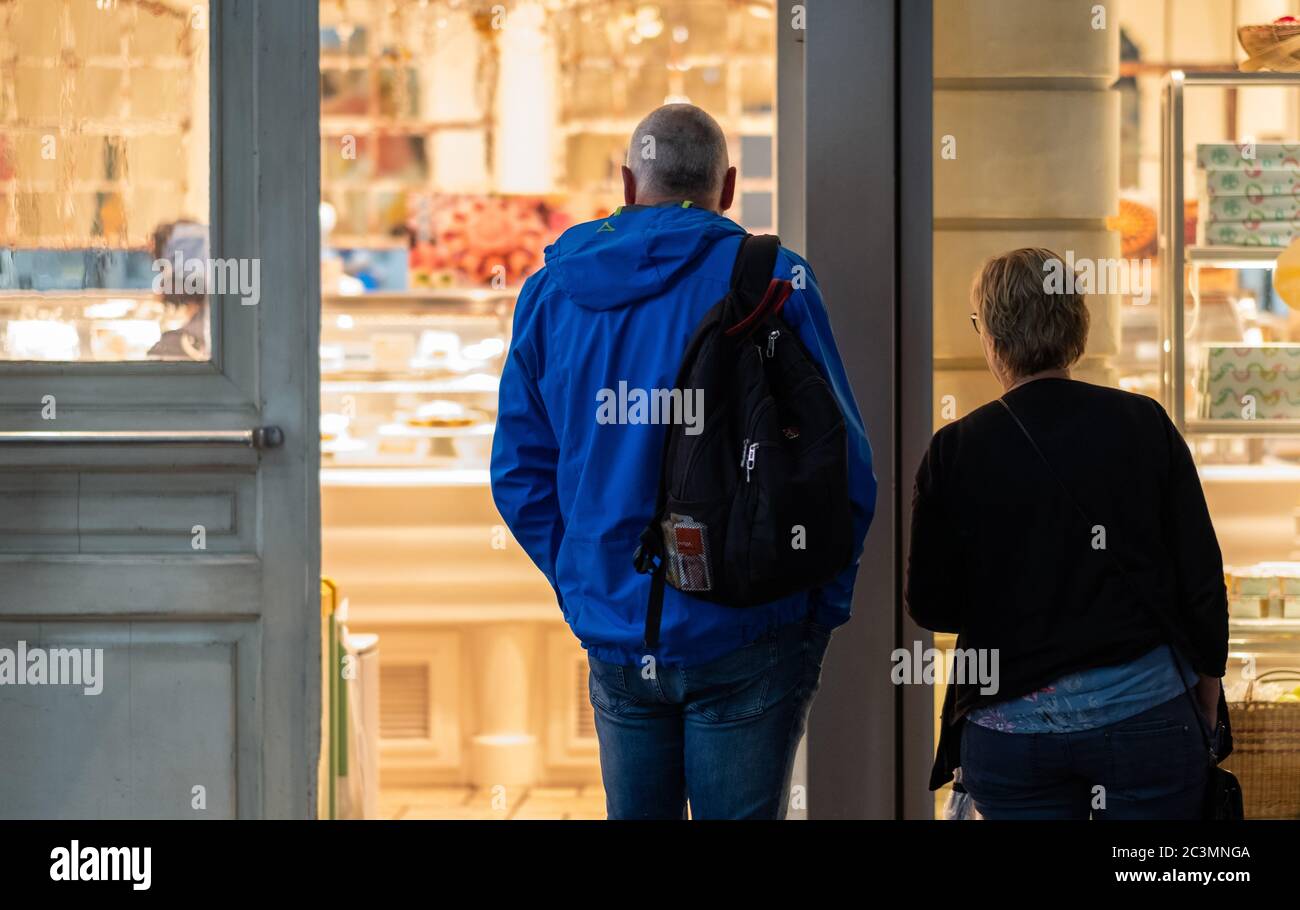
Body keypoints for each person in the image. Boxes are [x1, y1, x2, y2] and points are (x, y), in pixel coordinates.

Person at [490, 104, 875, 819]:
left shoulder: (551, 290)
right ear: (728, 187)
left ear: (628, 185)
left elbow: (518, 473)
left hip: (614, 629)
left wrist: (588, 580)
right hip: (752, 621)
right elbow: (846, 466)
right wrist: (820, 607)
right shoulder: (775, 279)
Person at [906, 248, 1230, 820]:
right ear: (1076, 325)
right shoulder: (1143, 424)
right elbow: (1201, 577)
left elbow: (932, 606)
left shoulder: (956, 450)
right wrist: (1206, 694)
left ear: (994, 337)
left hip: (1013, 735)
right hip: (1148, 717)